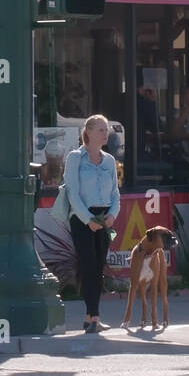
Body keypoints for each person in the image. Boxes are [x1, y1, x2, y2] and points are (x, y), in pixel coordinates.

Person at [61, 114, 120, 333]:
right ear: (89, 132)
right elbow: (72, 193)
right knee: (88, 264)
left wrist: (112, 215)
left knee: (98, 267)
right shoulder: (75, 158)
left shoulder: (110, 160)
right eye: (101, 130)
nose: (106, 134)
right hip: (81, 217)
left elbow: (115, 193)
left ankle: (92, 317)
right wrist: (88, 220)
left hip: (104, 217)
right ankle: (93, 316)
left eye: (107, 130)